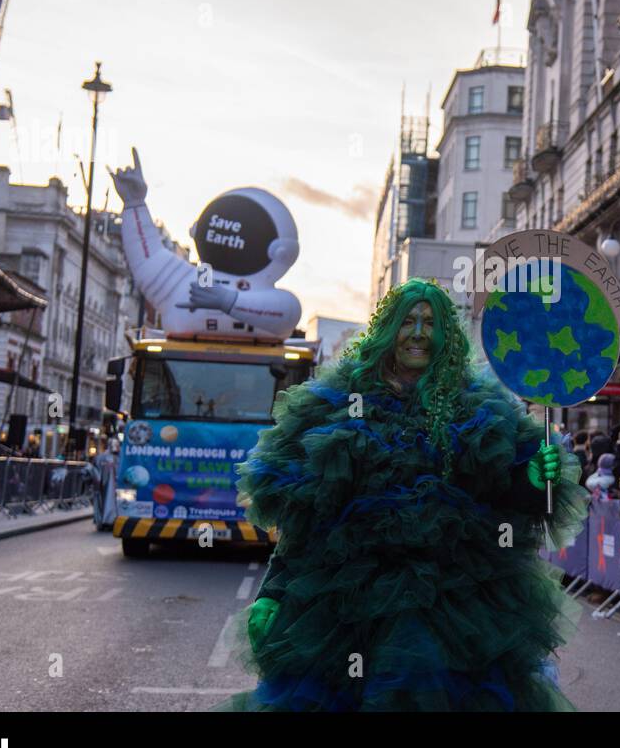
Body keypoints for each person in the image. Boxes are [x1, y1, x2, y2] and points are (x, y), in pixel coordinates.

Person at [219, 278, 586, 712]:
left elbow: (508, 501)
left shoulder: (478, 406)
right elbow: (310, 517)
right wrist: (274, 590)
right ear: (388, 329)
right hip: (346, 606)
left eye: (429, 322)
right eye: (407, 321)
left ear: (445, 334)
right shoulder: (340, 403)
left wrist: (532, 478)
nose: (417, 333)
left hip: (453, 604)